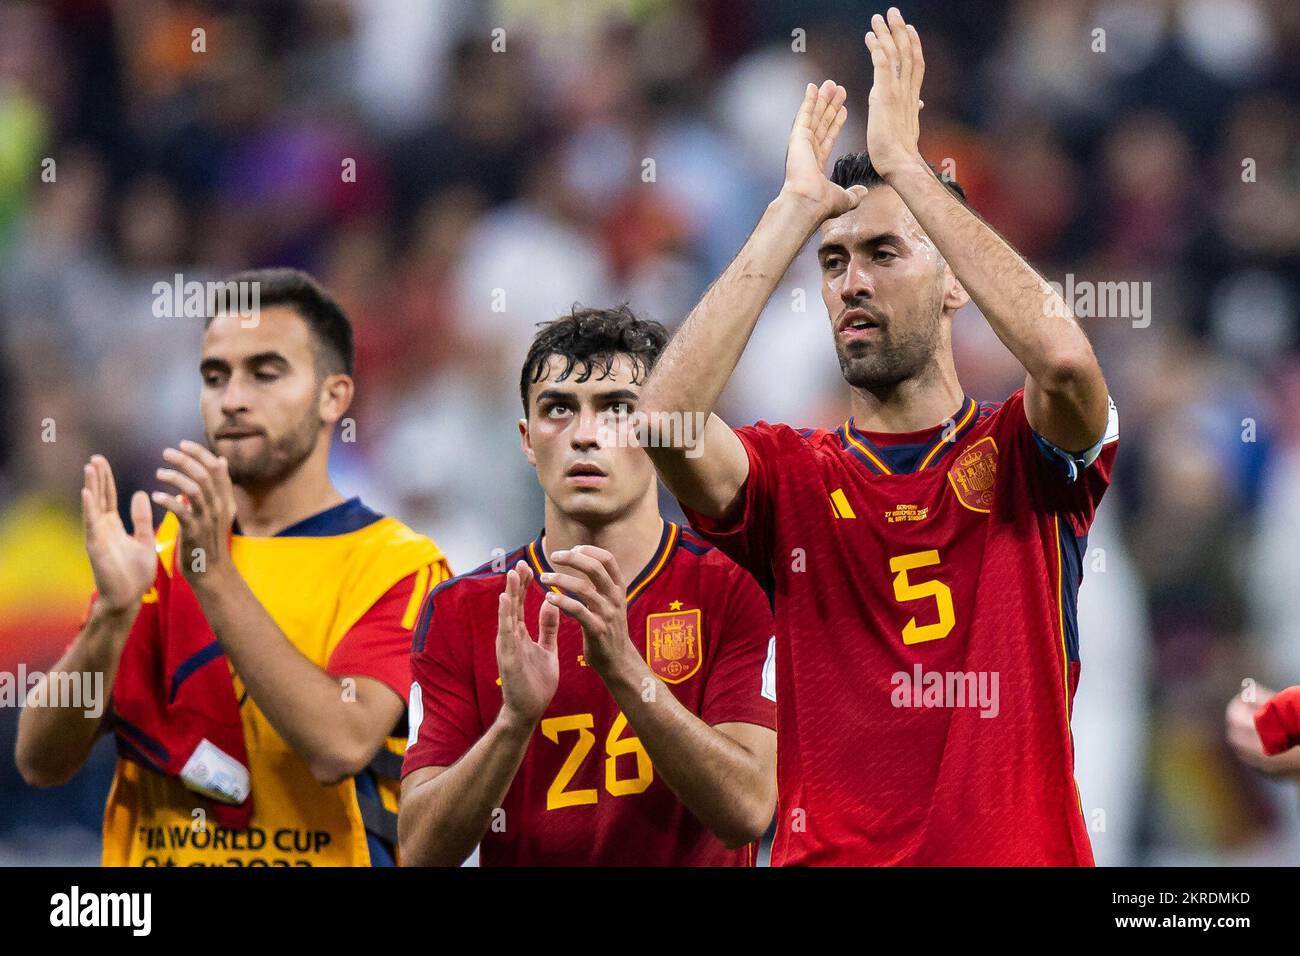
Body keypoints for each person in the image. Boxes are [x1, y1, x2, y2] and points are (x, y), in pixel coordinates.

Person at [637, 8, 1118, 865]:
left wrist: (906, 164)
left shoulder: (1024, 453)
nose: (852, 283)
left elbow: (1068, 364)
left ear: (954, 284)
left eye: (886, 253)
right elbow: (665, 425)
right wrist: (792, 213)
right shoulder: (791, 474)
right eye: (833, 262)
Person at [16, 268, 449, 866]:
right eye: (215, 376)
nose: (233, 398)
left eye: (265, 373)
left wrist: (214, 576)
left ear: (334, 397)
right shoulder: (160, 554)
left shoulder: (397, 564)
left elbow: (340, 744)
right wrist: (111, 618)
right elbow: (41, 759)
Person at [399, 307, 777, 866]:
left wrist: (622, 666)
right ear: (527, 440)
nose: (584, 435)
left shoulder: (733, 587)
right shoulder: (463, 609)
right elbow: (420, 851)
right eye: (558, 409)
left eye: (618, 409)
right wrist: (514, 722)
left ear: (658, 430)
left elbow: (747, 810)